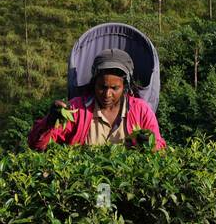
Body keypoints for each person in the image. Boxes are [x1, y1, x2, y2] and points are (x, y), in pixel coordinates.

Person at [27, 48, 166, 151]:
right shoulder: (77, 110)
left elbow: (160, 148)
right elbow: (36, 145)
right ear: (94, 83)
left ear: (125, 86)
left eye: (114, 88)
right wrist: (50, 122)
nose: (107, 94)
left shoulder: (141, 110)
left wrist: (148, 144)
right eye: (102, 87)